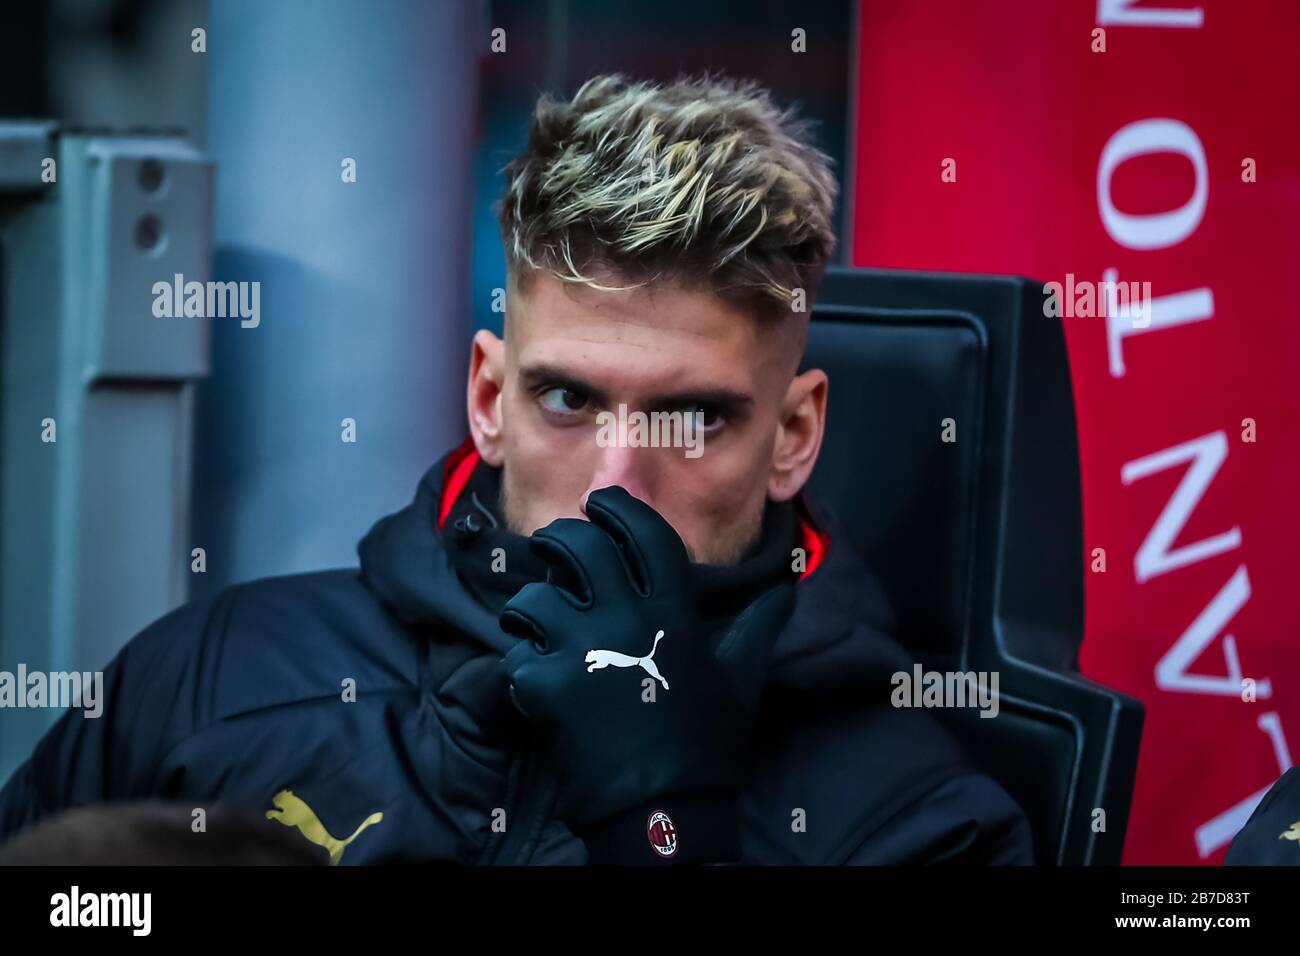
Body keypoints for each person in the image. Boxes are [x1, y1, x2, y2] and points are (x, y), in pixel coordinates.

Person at [0, 72, 1032, 865]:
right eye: (568, 399)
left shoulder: (917, 821)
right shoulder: (211, 679)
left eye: (693, 416)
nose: (615, 485)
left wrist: (667, 827)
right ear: (490, 398)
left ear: (794, 435)